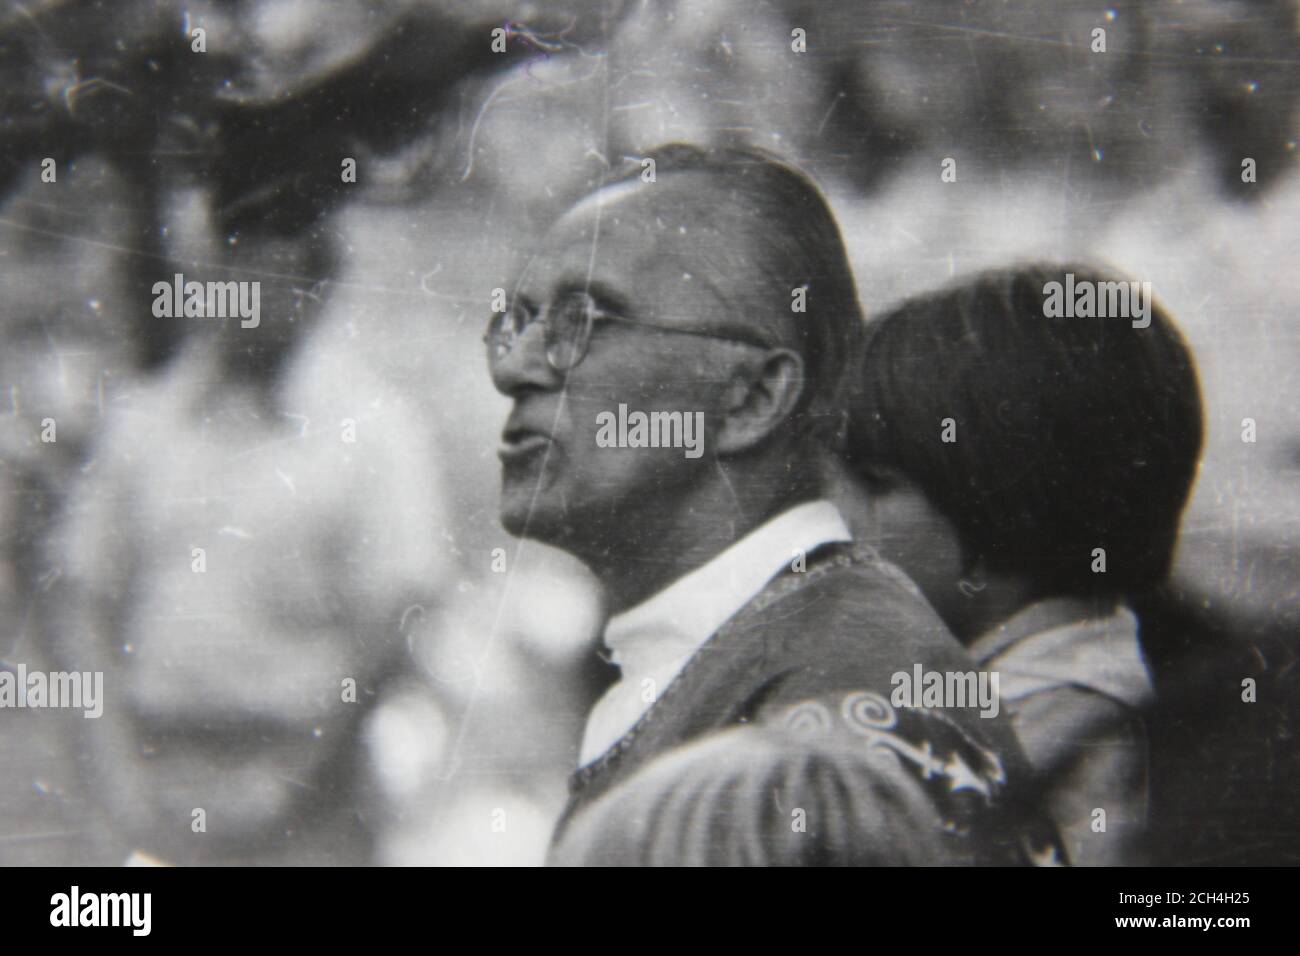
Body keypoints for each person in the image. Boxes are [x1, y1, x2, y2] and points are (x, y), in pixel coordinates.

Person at [486, 143, 1061, 865]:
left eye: (585, 320)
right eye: (519, 320)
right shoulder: (758, 649)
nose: (513, 367)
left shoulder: (836, 698)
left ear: (753, 399)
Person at [840, 263, 1205, 864]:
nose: (842, 516)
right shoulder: (993, 689)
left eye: (876, 486)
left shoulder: (1062, 734)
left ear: (1000, 502)